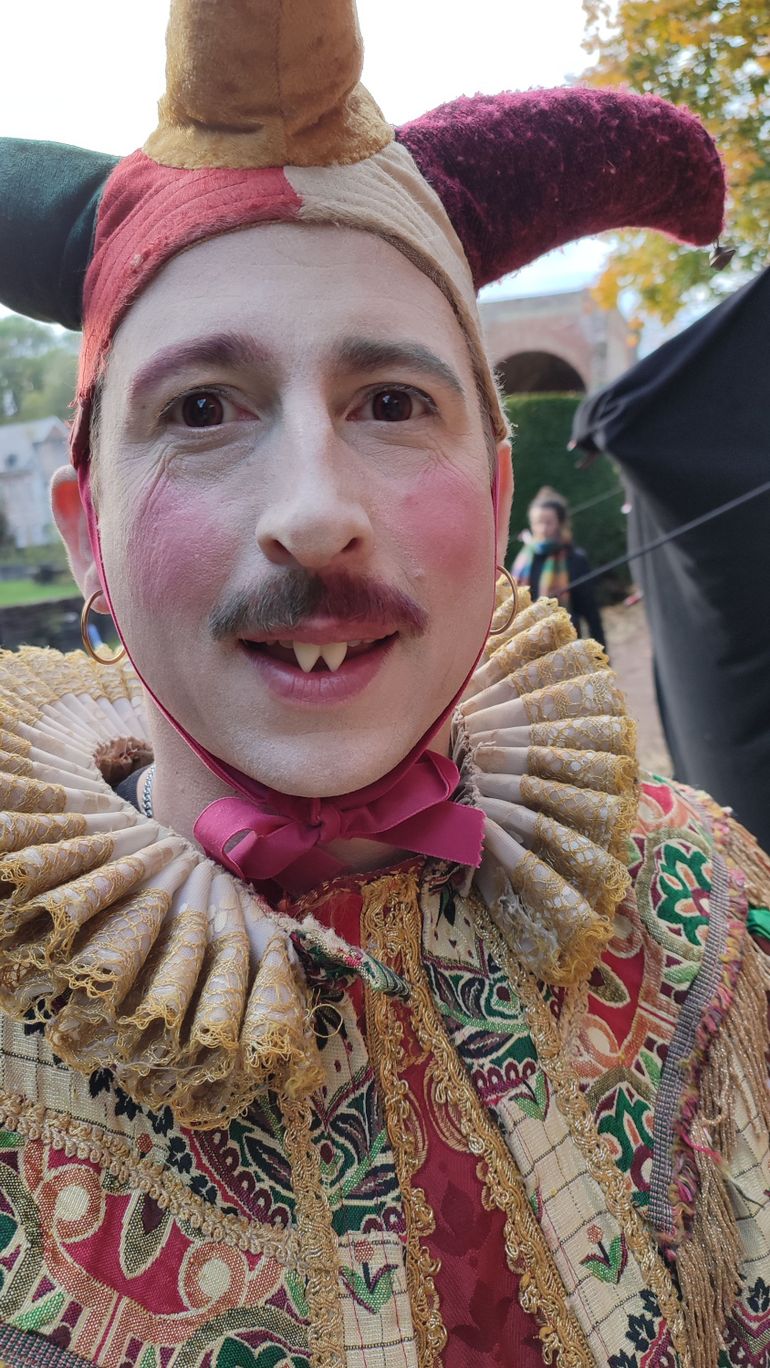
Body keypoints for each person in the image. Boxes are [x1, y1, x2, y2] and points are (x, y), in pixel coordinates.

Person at [0, 3, 767, 1365]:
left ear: (492, 489)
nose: (315, 512)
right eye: (201, 409)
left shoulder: (706, 917)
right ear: (84, 536)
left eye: (391, 403)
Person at [512, 486, 607, 646]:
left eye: (549, 523)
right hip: (526, 649)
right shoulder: (524, 560)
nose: (543, 529)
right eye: (537, 523)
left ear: (560, 523)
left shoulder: (574, 559)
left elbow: (591, 615)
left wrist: (601, 658)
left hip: (565, 649)